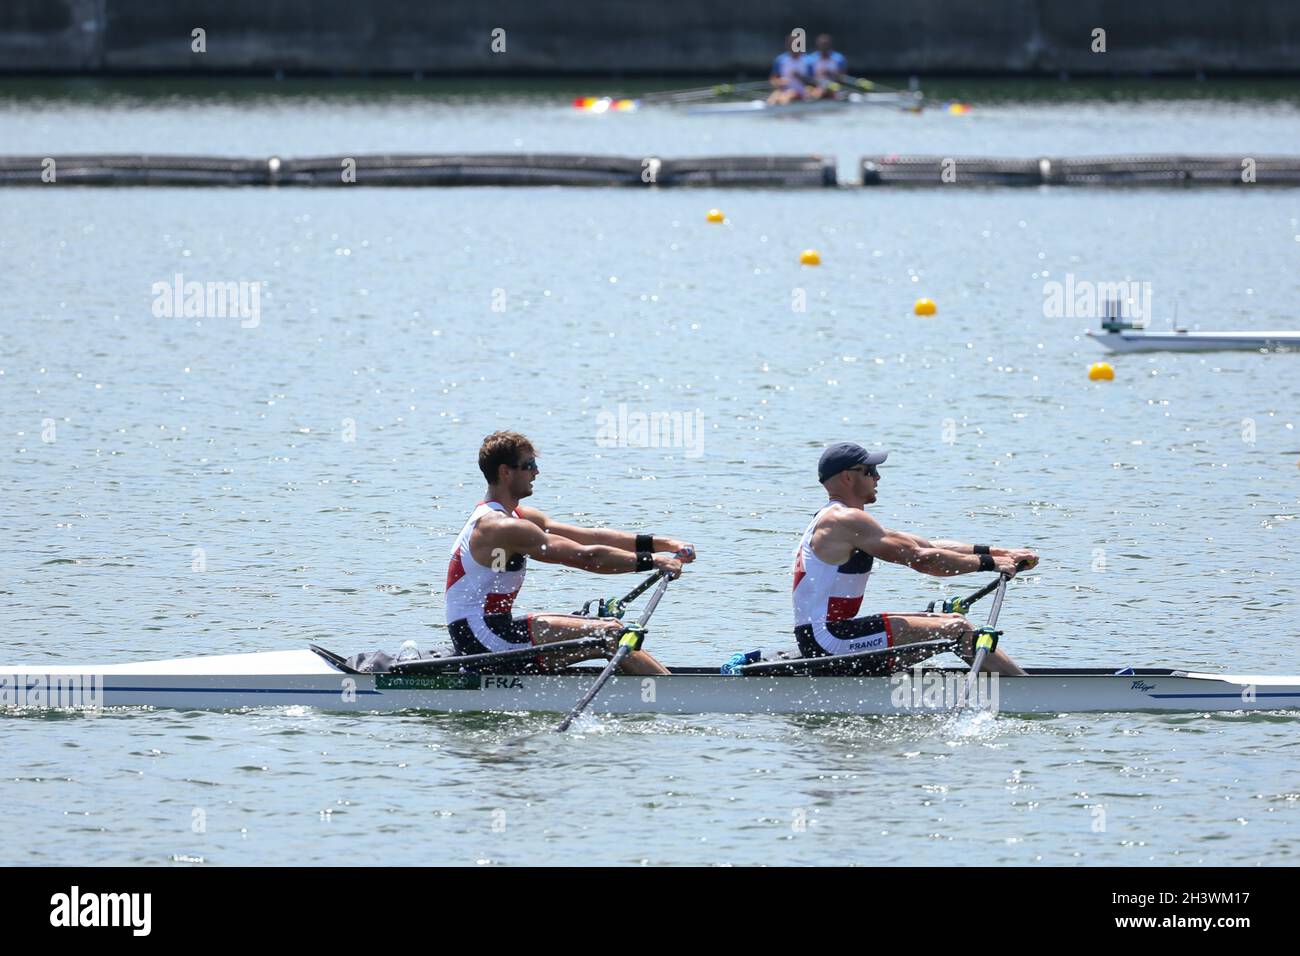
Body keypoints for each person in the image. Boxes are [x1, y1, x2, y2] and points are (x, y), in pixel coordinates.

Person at [446, 431, 694, 675]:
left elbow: (591, 537)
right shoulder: (500, 527)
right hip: (480, 638)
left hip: (493, 629)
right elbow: (587, 557)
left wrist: (667, 544)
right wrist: (655, 562)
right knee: (611, 634)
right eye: (529, 465)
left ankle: (666, 690)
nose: (536, 472)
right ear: (505, 472)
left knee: (610, 630)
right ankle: (678, 698)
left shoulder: (518, 517)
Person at [792, 442, 1038, 674]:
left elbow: (928, 546)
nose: (878, 477)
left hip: (829, 636)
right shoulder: (843, 520)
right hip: (829, 641)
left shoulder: (842, 520)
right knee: (957, 629)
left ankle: (1019, 686)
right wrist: (990, 564)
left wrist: (1002, 553)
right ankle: (1031, 694)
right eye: (871, 471)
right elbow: (922, 560)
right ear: (847, 477)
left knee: (952, 620)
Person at [768, 33, 813, 105]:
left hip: (801, 91)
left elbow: (813, 82)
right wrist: (779, 82)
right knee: (772, 100)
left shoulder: (808, 61)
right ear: (788, 45)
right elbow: (773, 79)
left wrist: (800, 77)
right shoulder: (781, 60)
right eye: (791, 44)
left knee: (787, 97)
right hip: (783, 90)